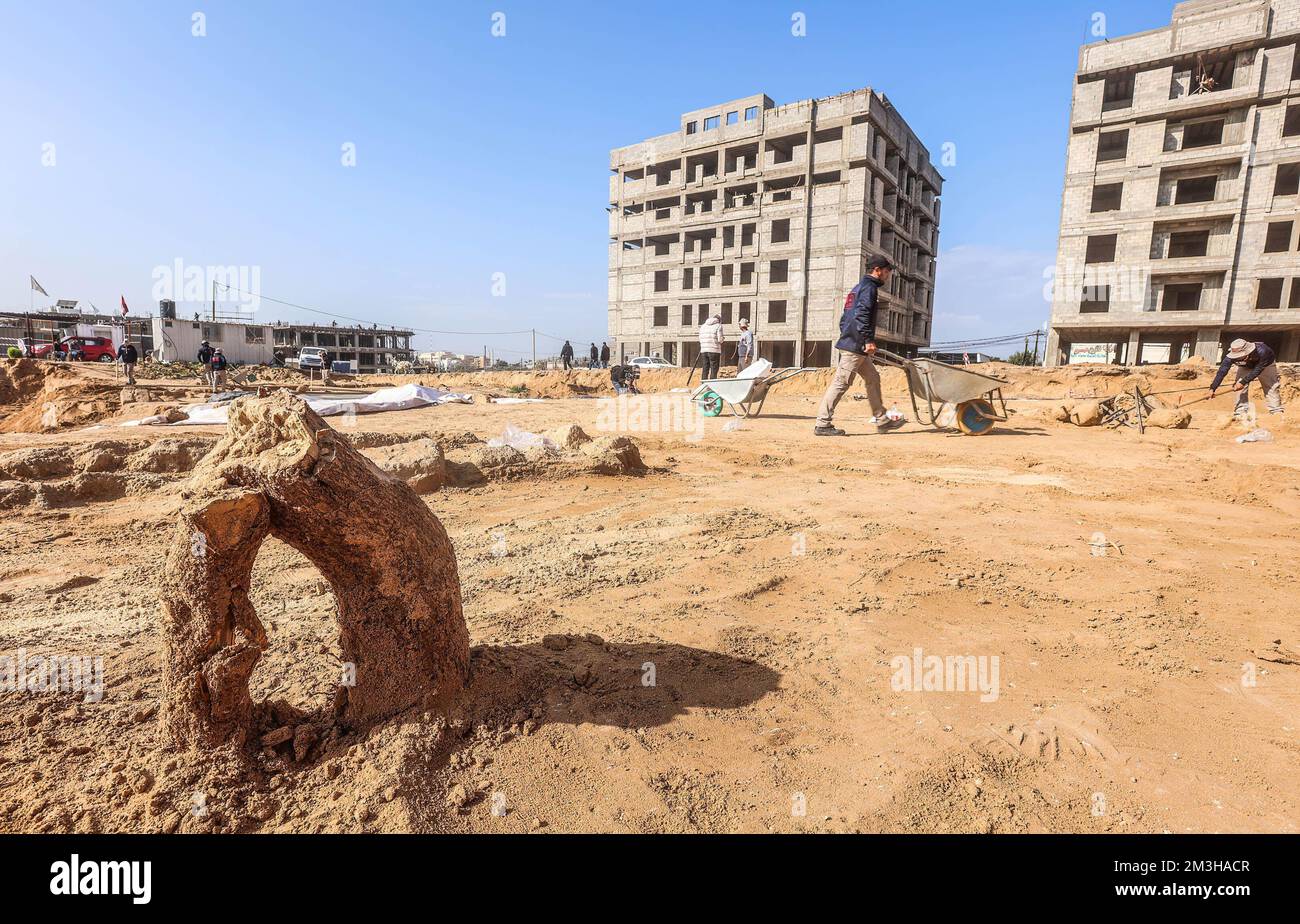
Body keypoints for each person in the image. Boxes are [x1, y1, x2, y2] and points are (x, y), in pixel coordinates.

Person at [815, 255, 905, 436]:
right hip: (855, 346)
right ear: (877, 270)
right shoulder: (869, 288)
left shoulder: (858, 288)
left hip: (855, 343)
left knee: (873, 378)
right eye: (886, 272)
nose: (887, 276)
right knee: (841, 383)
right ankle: (822, 424)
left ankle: (882, 420)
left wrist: (850, 335)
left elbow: (845, 317)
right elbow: (861, 315)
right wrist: (867, 340)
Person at [1211, 338, 1284, 417]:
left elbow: (1258, 370)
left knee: (1271, 386)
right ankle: (1241, 412)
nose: (1237, 358)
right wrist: (1213, 388)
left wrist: (1243, 382)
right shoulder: (1230, 358)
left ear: (1248, 353)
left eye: (1240, 357)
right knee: (1239, 387)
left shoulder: (1263, 351)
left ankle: (1276, 411)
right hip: (1246, 366)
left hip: (1266, 365)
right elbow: (1222, 371)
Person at [698, 314, 723, 380]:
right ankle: (712, 384)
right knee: (714, 368)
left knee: (705, 367)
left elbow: (700, 338)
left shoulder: (703, 326)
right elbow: (720, 340)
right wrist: (723, 339)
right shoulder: (718, 326)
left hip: (704, 350)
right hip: (714, 350)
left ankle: (703, 383)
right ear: (719, 320)